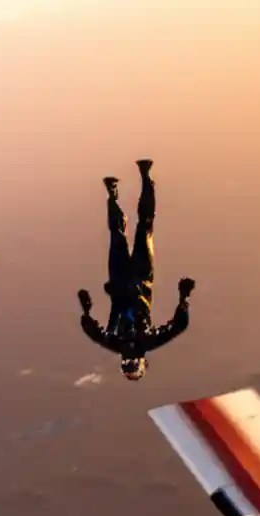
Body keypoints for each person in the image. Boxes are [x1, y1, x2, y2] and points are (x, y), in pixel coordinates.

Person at [77, 159, 195, 381]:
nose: (129, 360)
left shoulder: (117, 342)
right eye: (133, 365)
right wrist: (184, 298)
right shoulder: (146, 341)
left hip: (122, 281)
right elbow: (178, 326)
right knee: (143, 228)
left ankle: (114, 194)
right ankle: (143, 179)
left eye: (126, 366)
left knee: (120, 234)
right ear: (142, 363)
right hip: (139, 278)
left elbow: (92, 332)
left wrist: (86, 311)